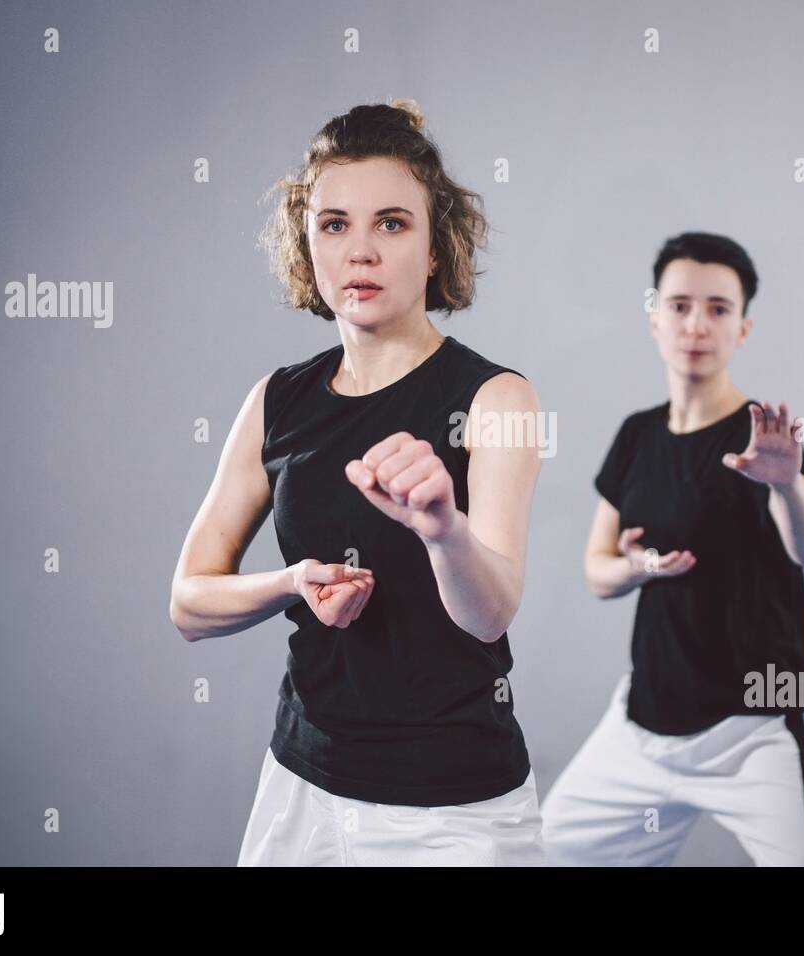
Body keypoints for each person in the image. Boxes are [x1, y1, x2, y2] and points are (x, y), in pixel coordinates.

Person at [169, 99, 546, 866]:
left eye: (392, 223)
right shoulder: (276, 400)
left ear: (436, 247)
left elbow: (491, 612)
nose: (361, 252)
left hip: (452, 811)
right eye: (335, 224)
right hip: (300, 787)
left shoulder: (499, 399)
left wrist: (441, 526)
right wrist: (292, 582)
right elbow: (188, 604)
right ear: (307, 246)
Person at [540, 232, 804, 866]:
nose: (696, 324)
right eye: (679, 305)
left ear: (743, 328)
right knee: (544, 856)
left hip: (760, 730)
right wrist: (639, 568)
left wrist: (788, 485)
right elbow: (598, 572)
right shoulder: (637, 434)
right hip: (645, 727)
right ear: (655, 319)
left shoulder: (764, 435)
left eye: (718, 308)